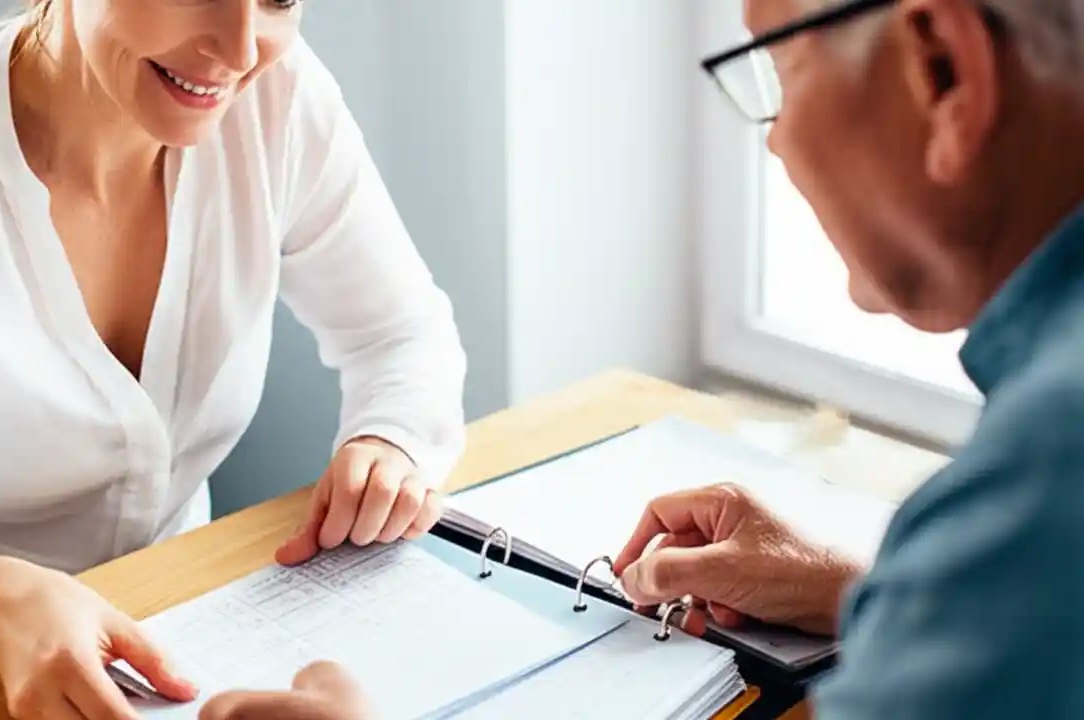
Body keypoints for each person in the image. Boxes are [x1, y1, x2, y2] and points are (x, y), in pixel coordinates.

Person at [198, 0, 1084, 717]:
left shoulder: (1044, 483)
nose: (772, 138)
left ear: (945, 74)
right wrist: (872, 590)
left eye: (775, 66)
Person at [0, 0, 466, 717]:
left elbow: (402, 332)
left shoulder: (281, 101)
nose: (242, 50)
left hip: (186, 635)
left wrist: (391, 439)